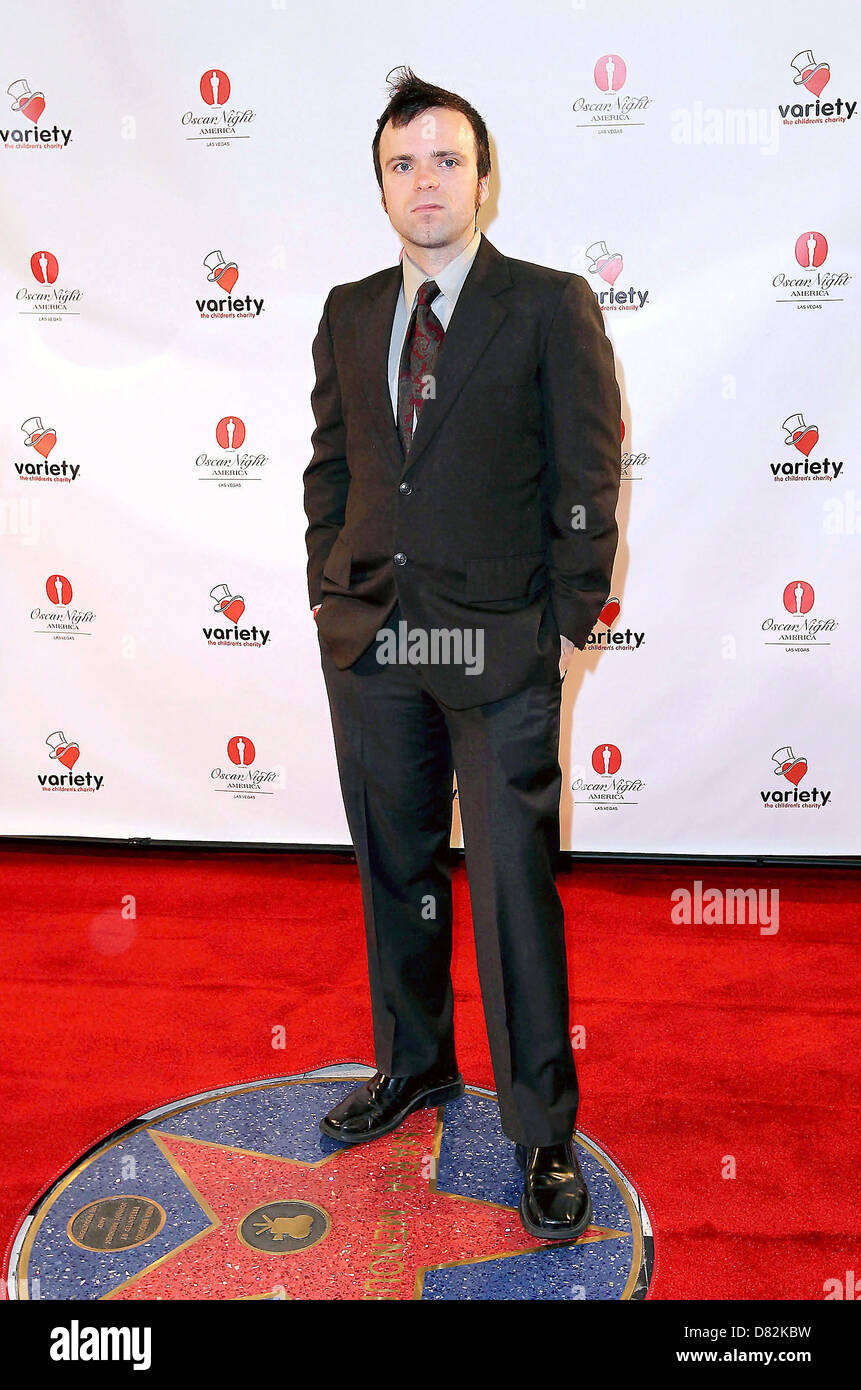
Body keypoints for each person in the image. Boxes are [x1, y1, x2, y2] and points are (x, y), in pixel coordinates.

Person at [303, 66, 621, 1239]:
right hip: (373, 639)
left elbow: (588, 476)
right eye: (401, 164)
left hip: (500, 651)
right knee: (397, 874)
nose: (423, 181)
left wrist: (565, 624)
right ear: (381, 187)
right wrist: (329, 591)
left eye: (444, 160)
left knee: (510, 893)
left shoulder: (546, 304)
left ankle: (541, 1132)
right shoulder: (345, 311)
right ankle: (416, 1064)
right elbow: (331, 468)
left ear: (484, 180)